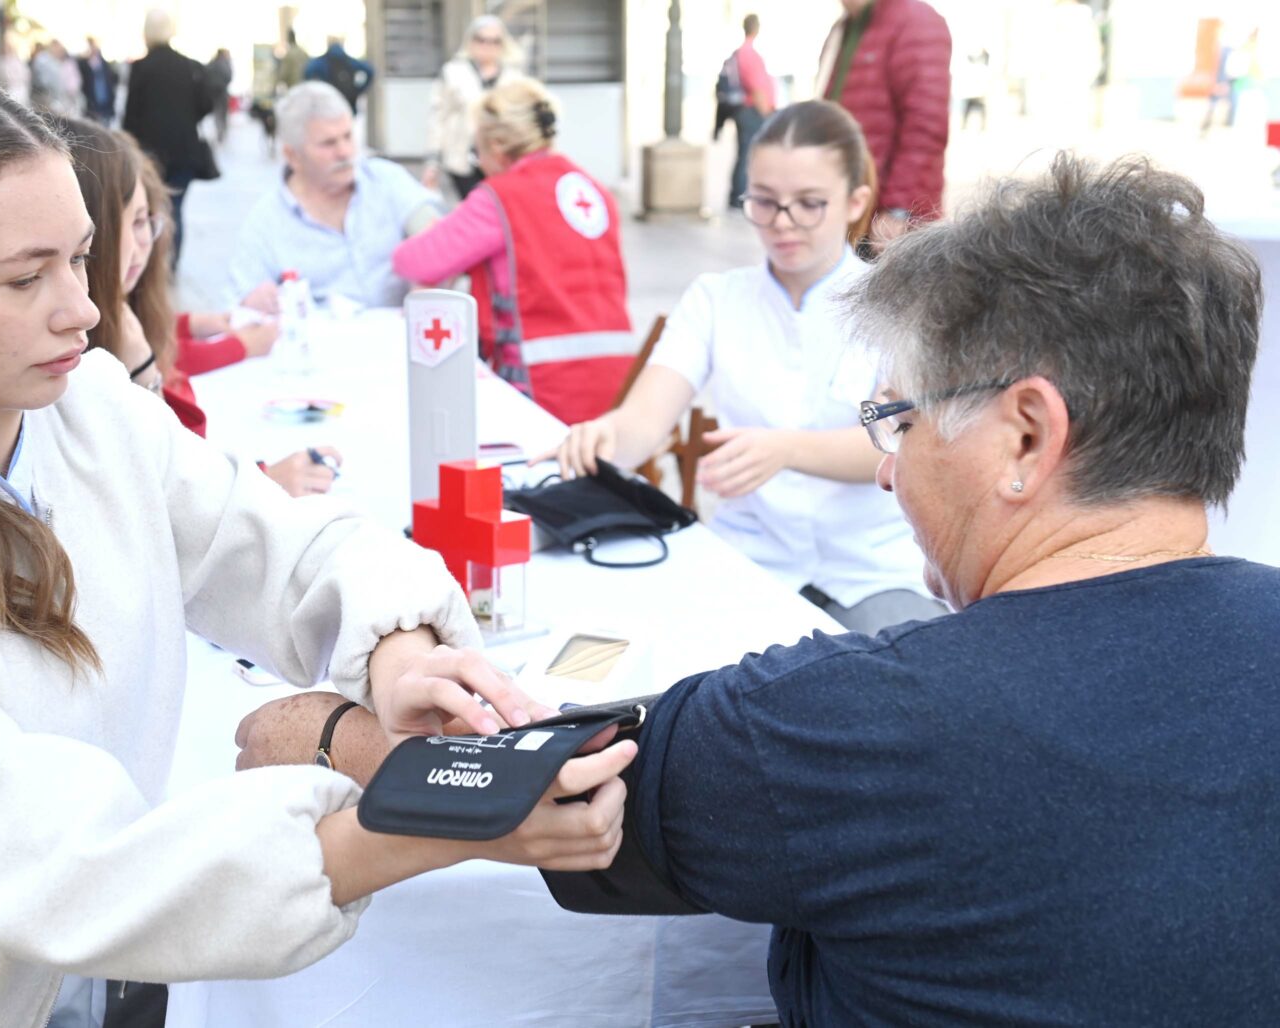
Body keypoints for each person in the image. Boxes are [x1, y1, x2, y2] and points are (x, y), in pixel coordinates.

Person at [0, 66, 634, 1026]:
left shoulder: (87, 408)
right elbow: (57, 863)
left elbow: (276, 543)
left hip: (95, 966)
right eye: (24, 277)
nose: (82, 309)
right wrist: (441, 823)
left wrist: (401, 654)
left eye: (82, 258)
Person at [597, 154, 1280, 1024]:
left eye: (904, 421)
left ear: (1027, 439)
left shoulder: (846, 725)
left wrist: (361, 716)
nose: (888, 471)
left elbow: (548, 787)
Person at [545, 101, 936, 629]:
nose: (783, 223)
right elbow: (641, 422)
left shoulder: (892, 301)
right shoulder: (716, 299)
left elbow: (908, 444)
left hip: (873, 569)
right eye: (765, 202)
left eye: (809, 204)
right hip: (751, 559)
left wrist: (786, 449)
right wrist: (600, 438)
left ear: (855, 202)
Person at [64, 119, 328, 500]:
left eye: (149, 222)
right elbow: (169, 490)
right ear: (98, 234)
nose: (147, 242)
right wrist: (262, 483)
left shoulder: (125, 314)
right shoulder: (92, 352)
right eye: (137, 221)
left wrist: (191, 326)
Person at [393, 79, 633, 427]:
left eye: (476, 152)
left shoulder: (501, 198)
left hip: (545, 393)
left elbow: (413, 261)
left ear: (496, 145)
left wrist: (432, 229)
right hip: (620, 389)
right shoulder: (593, 189)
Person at [229, 82, 441, 313]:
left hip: (403, 336)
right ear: (292, 156)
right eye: (328, 143)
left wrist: (427, 280)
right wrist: (257, 301)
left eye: (348, 136)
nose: (345, 152)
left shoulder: (385, 179)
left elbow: (439, 235)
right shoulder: (265, 223)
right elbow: (241, 302)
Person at [816, 0, 951, 247]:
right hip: (846, 208)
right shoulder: (846, 26)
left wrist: (899, 209)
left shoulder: (915, 20)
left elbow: (925, 126)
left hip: (885, 223)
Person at [122, 8, 215, 270]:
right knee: (175, 209)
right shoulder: (189, 65)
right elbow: (206, 103)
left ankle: (153, 267)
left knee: (151, 210)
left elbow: (131, 116)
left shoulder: (141, 68)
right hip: (184, 151)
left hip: (151, 154)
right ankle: (171, 265)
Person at [427, 15, 523, 200]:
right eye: (482, 40)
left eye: (495, 41)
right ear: (471, 41)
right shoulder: (454, 73)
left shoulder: (514, 77)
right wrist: (433, 160)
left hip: (501, 159)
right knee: (475, 207)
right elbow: (438, 117)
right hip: (462, 159)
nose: (488, 46)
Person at [728, 14, 776, 211]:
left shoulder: (744, 52)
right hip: (753, 111)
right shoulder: (748, 53)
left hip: (749, 110)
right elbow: (756, 87)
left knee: (746, 153)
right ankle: (739, 198)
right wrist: (766, 113)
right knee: (748, 154)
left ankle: (739, 197)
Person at [304, 35, 375, 114]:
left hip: (327, 106)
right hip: (348, 106)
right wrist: (358, 90)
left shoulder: (320, 62)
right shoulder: (350, 61)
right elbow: (370, 71)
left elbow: (307, 74)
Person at [78, 36, 118, 125]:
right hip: (92, 105)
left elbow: (111, 79)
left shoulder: (103, 62)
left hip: (105, 104)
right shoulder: (83, 63)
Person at [207, 48, 234, 143]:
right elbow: (229, 76)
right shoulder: (224, 63)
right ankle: (222, 131)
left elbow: (206, 75)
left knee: (218, 113)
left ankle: (220, 131)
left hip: (215, 93)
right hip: (222, 92)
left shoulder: (212, 63)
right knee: (222, 113)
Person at [276, 27, 310, 93]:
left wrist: (277, 81)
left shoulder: (289, 54)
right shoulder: (302, 52)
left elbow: (284, 72)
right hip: (304, 85)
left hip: (293, 86)